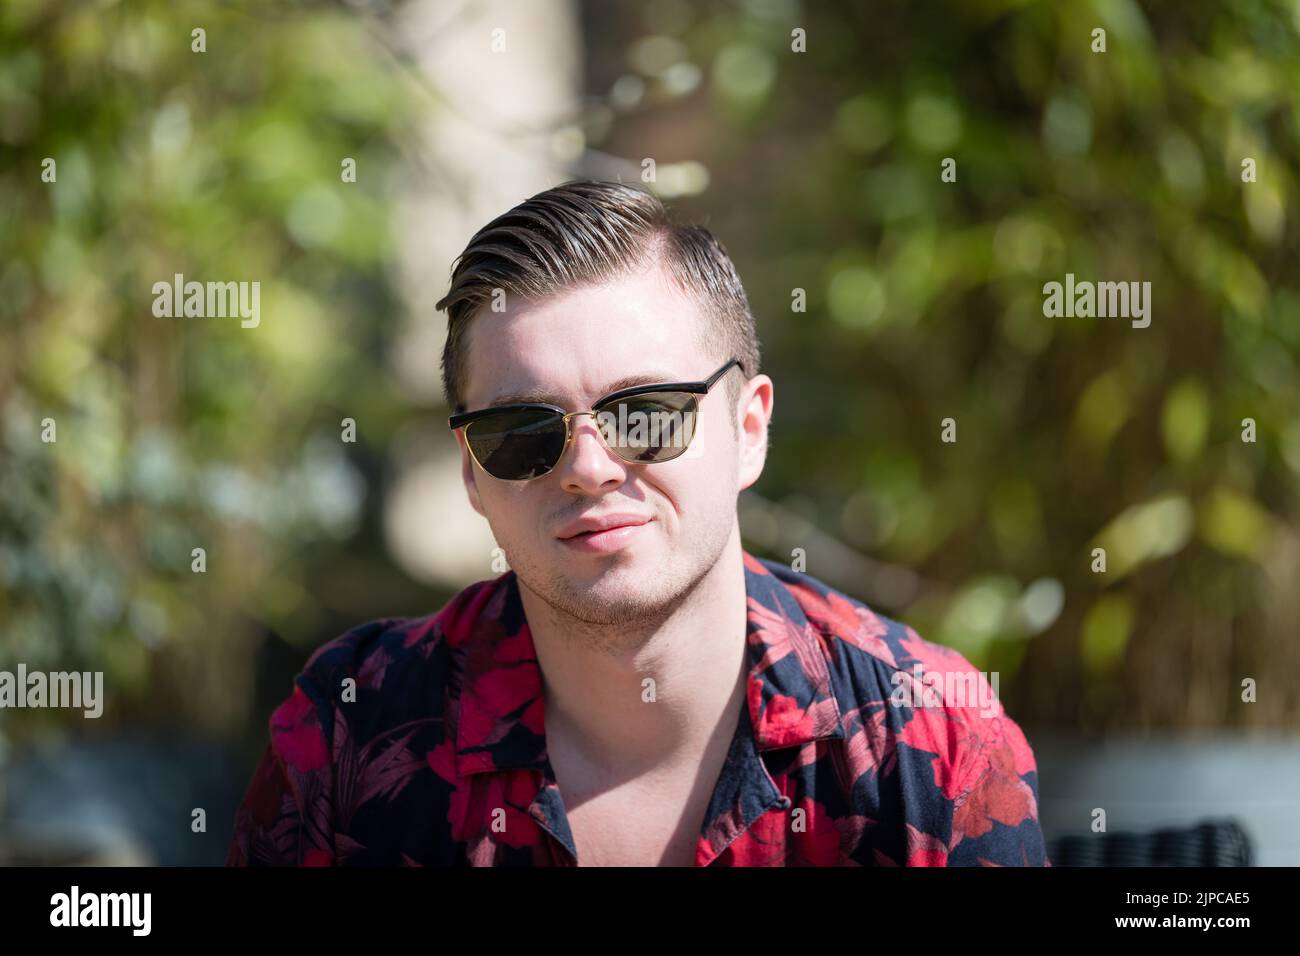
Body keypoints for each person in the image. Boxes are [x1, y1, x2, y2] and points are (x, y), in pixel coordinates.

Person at [226, 180, 1049, 866]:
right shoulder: (349, 734)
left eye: (647, 414)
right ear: (473, 471)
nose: (587, 466)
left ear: (749, 431)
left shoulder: (928, 741)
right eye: (523, 434)